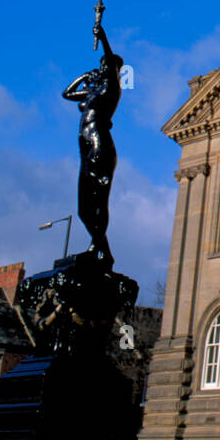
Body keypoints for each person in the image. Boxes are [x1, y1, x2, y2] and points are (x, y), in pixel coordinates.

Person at [61, 23, 123, 265]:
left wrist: (103, 34)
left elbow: (109, 57)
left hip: (100, 147)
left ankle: (99, 250)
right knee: (83, 208)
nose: (101, 68)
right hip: (86, 150)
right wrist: (84, 77)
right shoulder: (93, 93)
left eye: (105, 66)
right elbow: (66, 94)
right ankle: (101, 250)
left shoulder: (112, 88)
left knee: (98, 198)